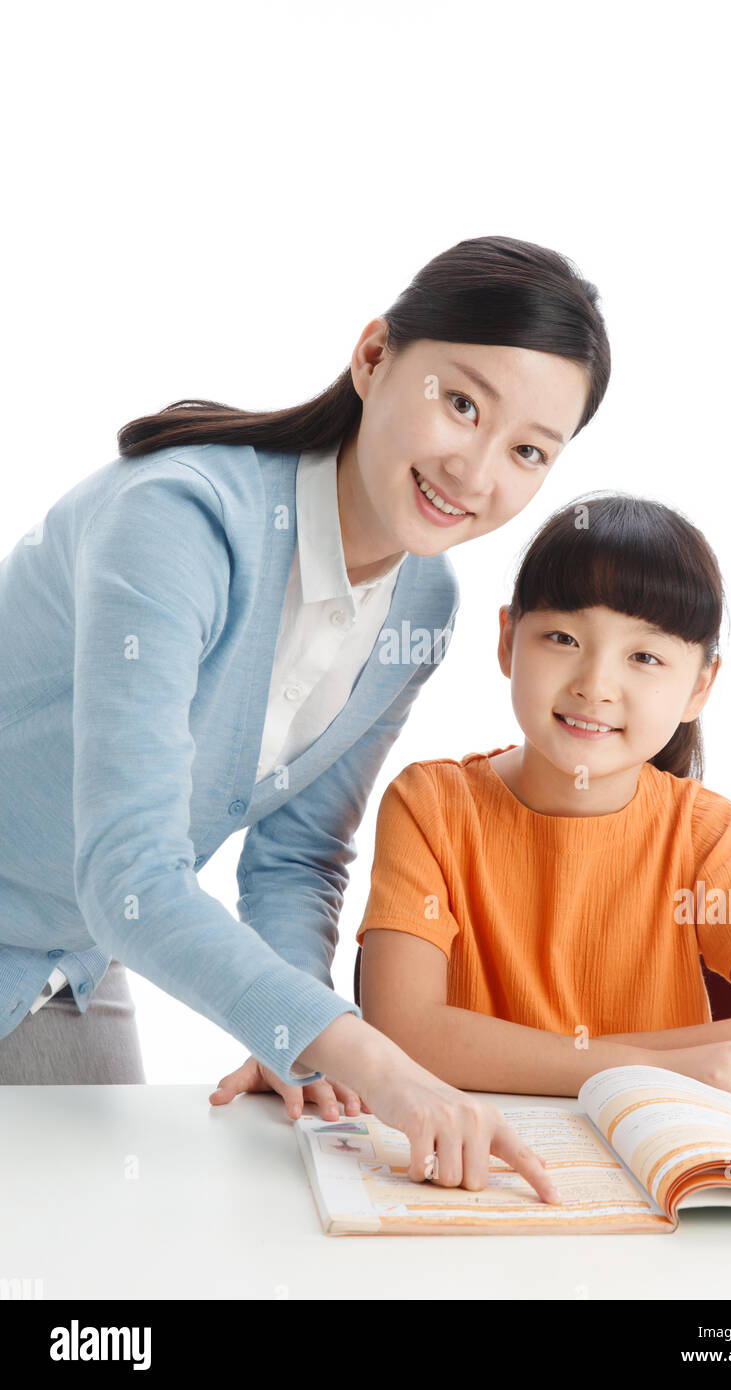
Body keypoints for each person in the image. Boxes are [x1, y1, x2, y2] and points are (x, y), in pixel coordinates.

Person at [0, 234, 612, 1200]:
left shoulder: (422, 606)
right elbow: (130, 872)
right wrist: (379, 1063)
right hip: (98, 913)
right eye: (461, 403)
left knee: (101, 1241)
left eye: (528, 451)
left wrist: (293, 1034)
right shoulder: (177, 519)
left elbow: (293, 857)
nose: (475, 471)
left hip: (68, 962)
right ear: (373, 358)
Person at [355, 493, 731, 1106]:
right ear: (508, 640)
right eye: (563, 637)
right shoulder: (430, 806)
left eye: (644, 656)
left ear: (700, 687)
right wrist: (652, 1068)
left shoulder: (703, 833)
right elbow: (401, 1032)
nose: (595, 684)